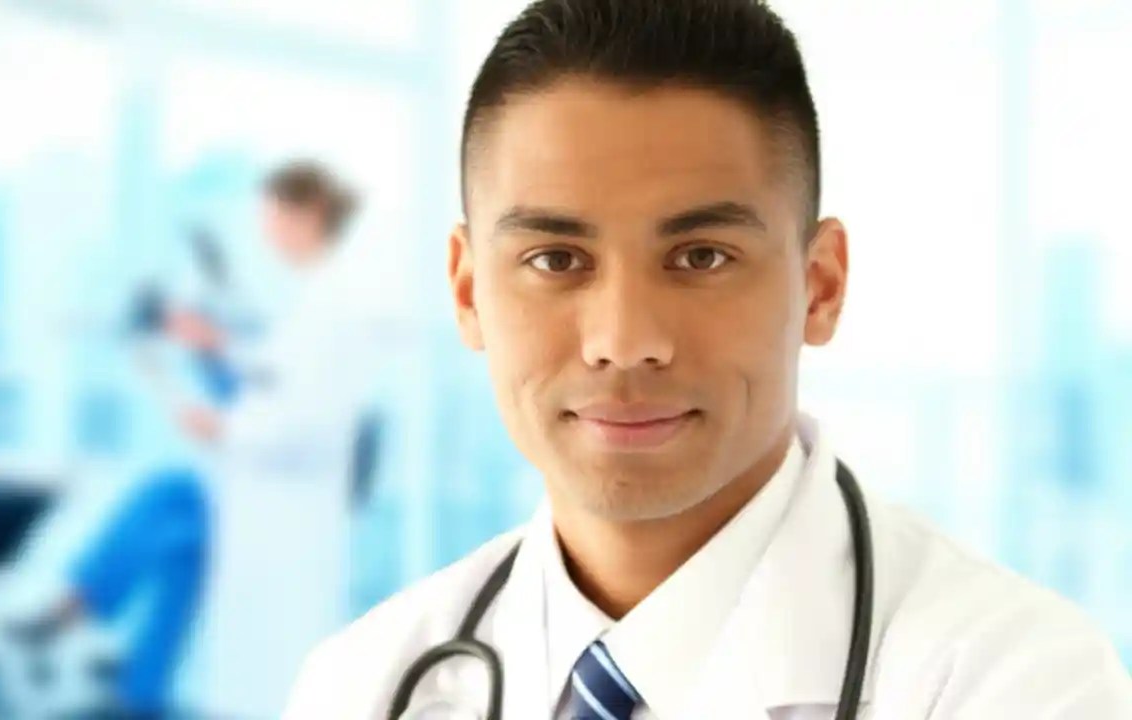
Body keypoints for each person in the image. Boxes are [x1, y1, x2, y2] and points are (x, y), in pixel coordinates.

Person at [282, 1, 1132, 718]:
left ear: (820, 287)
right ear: (468, 294)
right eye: (556, 260)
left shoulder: (1014, 681)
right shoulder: (365, 684)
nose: (623, 339)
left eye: (699, 257)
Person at [10, 161, 363, 718]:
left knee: (171, 501)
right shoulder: (314, 297)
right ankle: (136, 686)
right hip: (263, 480)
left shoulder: (333, 303)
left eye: (273, 219)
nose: (268, 233)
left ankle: (77, 607)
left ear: (309, 216)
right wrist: (213, 342)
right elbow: (278, 373)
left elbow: (308, 417)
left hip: (284, 498)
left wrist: (224, 427)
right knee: (182, 544)